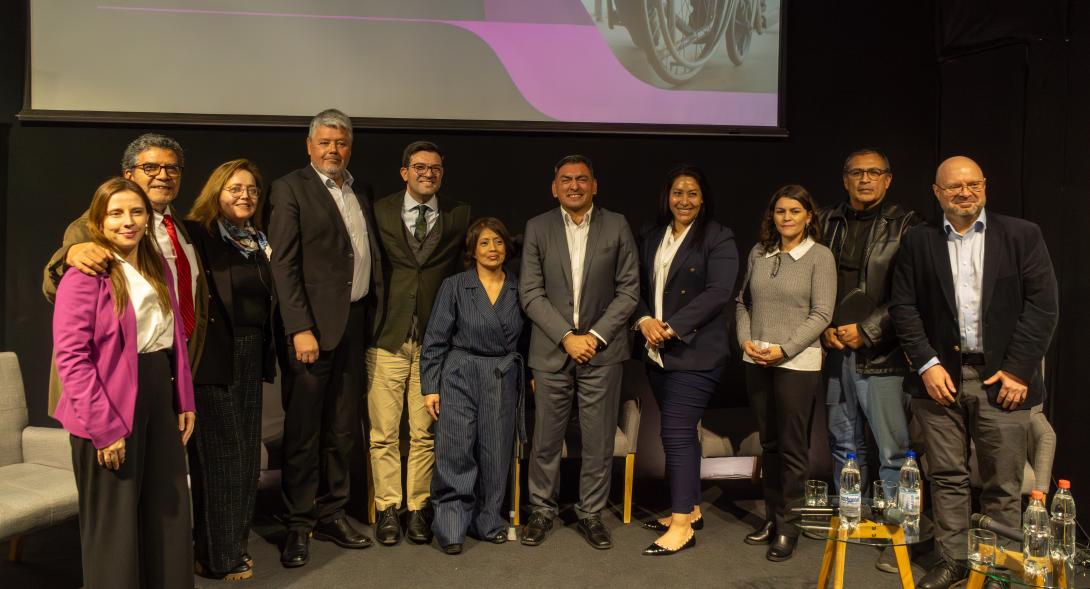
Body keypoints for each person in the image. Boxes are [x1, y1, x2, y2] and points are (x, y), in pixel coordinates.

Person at [890, 156, 1058, 589]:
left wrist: (1019, 372)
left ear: (984, 186)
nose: (965, 193)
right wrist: (927, 364)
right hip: (938, 378)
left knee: (1003, 482)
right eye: (954, 187)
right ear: (936, 192)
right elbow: (904, 308)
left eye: (973, 184)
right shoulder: (917, 240)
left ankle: (1000, 565)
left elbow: (1042, 307)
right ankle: (954, 561)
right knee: (946, 476)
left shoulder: (1022, 234)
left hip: (1002, 380)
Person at [52, 177, 196, 589]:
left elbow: (176, 340)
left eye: (136, 212)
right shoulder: (84, 275)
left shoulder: (155, 266)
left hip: (157, 391)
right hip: (107, 403)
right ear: (99, 220)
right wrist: (104, 429)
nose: (127, 222)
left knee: (167, 517)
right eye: (116, 213)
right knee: (114, 531)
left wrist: (184, 398)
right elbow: (72, 360)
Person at [267, 108, 382, 567]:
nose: (334, 150)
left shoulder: (359, 189)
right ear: (309, 146)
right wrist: (299, 328)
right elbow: (283, 264)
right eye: (326, 142)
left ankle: (332, 513)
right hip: (311, 331)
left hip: (354, 325)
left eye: (341, 142)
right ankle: (298, 523)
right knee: (303, 432)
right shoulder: (290, 188)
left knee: (341, 427)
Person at [519, 154, 640, 550]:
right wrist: (567, 337)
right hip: (552, 351)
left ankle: (591, 513)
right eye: (566, 180)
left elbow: (629, 291)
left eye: (582, 179)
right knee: (546, 439)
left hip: (602, 353)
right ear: (554, 187)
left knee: (598, 439)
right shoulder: (537, 227)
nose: (574, 185)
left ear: (594, 186)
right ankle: (541, 510)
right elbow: (530, 293)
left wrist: (596, 336)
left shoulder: (617, 224)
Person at [43, 133, 207, 414]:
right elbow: (56, 284)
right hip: (113, 377)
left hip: (169, 366)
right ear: (129, 175)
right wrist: (69, 254)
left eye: (172, 168)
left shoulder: (179, 225)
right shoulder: (94, 224)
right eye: (151, 168)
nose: (163, 176)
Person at [815, 149, 921, 572]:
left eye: (873, 173)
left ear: (888, 180)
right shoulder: (825, 221)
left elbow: (909, 295)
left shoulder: (908, 226)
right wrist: (822, 326)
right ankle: (853, 521)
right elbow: (813, 279)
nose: (864, 179)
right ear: (844, 179)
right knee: (843, 443)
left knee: (893, 452)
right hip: (834, 349)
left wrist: (869, 330)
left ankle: (902, 536)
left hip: (885, 354)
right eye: (856, 172)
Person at [368, 140, 471, 546]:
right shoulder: (379, 211)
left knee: (425, 433)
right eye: (419, 167)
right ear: (404, 172)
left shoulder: (458, 214)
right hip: (387, 336)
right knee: (384, 433)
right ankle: (387, 508)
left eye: (435, 168)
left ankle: (418, 508)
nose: (427, 173)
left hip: (434, 341)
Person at [632, 165, 738, 555]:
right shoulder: (653, 236)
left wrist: (672, 327)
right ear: (668, 197)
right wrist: (644, 320)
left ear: (703, 198)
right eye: (678, 192)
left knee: (675, 435)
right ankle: (691, 508)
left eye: (692, 193)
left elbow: (718, 292)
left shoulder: (718, 236)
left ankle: (680, 527)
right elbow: (635, 286)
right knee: (683, 432)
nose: (684, 200)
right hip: (655, 352)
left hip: (696, 353)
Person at [184, 159, 277, 580]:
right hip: (213, 355)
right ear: (216, 191)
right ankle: (215, 554)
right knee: (221, 457)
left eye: (252, 190)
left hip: (251, 352)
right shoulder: (197, 235)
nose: (245, 196)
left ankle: (232, 546)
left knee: (244, 461)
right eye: (235, 188)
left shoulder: (256, 239)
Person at [737, 184, 836, 561]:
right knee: (770, 445)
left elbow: (822, 313)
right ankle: (772, 518)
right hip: (757, 360)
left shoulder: (819, 257)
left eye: (795, 211)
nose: (787, 218)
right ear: (772, 216)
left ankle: (789, 526)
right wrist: (746, 340)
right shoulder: (760, 253)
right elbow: (741, 303)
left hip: (797, 362)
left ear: (809, 215)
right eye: (780, 211)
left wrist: (786, 348)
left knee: (793, 448)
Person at [420, 217, 524, 555]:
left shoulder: (520, 288)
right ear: (473, 250)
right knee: (455, 447)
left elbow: (529, 339)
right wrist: (430, 386)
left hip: (501, 374)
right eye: (484, 243)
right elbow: (435, 339)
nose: (491, 249)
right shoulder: (455, 286)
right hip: (460, 372)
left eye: (497, 242)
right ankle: (451, 525)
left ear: (507, 247)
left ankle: (489, 520)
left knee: (496, 451)